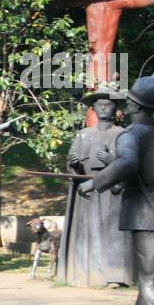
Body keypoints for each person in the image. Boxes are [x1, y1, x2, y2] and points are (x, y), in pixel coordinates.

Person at [79, 74, 154, 305]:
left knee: (149, 279)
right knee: (150, 276)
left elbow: (128, 164)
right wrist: (119, 179)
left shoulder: (131, 134)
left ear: (135, 105)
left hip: (146, 211)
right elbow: (144, 170)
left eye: (130, 100)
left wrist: (97, 182)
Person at [60, 86, 134, 287]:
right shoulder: (83, 135)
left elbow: (129, 165)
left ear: (115, 108)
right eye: (99, 105)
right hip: (87, 191)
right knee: (89, 231)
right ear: (93, 108)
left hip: (112, 191)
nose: (103, 109)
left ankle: (115, 276)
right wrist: (74, 165)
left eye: (108, 105)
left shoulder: (122, 135)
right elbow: (71, 164)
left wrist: (112, 161)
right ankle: (87, 273)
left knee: (113, 232)